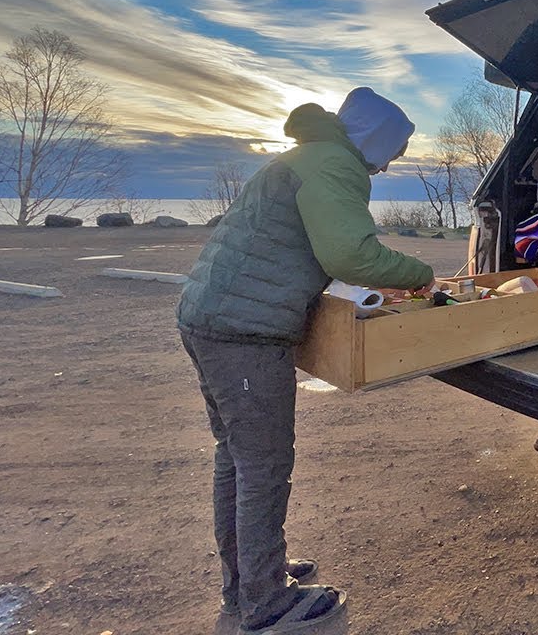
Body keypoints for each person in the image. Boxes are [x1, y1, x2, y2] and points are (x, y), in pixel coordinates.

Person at [176, 87, 435, 633]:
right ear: (376, 141)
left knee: (238, 457)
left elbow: (303, 247)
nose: (394, 161)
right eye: (395, 148)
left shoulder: (306, 155)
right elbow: (348, 252)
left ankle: (249, 578)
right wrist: (419, 275)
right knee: (263, 464)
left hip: (210, 317)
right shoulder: (337, 165)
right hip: (244, 333)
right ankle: (265, 599)